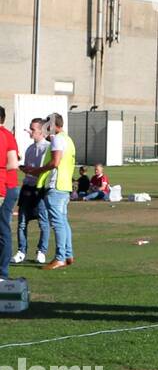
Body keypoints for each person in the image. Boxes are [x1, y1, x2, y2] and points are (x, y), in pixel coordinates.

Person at [36, 112, 76, 270]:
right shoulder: (68, 139)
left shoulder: (58, 139)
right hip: (65, 186)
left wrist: (35, 170)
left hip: (56, 186)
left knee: (58, 223)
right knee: (63, 221)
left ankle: (60, 257)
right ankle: (68, 254)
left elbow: (55, 162)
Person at [12, 117, 51, 265]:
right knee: (22, 222)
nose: (30, 131)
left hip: (39, 188)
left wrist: (31, 170)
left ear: (41, 131)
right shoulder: (29, 148)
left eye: (33, 129)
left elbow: (45, 170)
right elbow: (29, 169)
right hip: (27, 187)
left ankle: (41, 251)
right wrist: (23, 168)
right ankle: (21, 251)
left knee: (43, 222)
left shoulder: (47, 148)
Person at [0, 107, 19, 279]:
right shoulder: (8, 136)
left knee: (3, 228)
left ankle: (3, 272)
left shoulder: (5, 136)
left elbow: (13, 164)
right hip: (9, 187)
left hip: (7, 186)